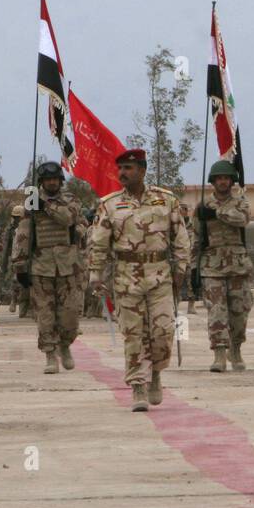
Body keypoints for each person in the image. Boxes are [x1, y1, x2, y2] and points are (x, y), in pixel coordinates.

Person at [87, 149, 191, 411]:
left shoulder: (165, 200)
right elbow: (99, 242)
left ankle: (155, 373)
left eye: (129, 168)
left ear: (142, 171)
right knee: (133, 333)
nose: (123, 173)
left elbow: (180, 238)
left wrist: (181, 269)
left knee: (162, 330)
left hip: (160, 275)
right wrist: (95, 273)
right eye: (120, 168)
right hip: (126, 275)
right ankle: (138, 386)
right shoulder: (109, 204)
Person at [12, 161, 85, 374]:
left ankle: (65, 344)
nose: (51, 183)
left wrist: (45, 206)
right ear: (41, 182)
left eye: (54, 179)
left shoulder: (71, 199)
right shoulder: (32, 202)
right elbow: (23, 233)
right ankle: (50, 355)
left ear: (60, 181)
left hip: (69, 266)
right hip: (41, 266)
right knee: (45, 315)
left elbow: (67, 218)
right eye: (47, 180)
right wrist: (20, 266)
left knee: (70, 315)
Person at [197, 160, 253, 372]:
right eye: (219, 178)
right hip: (212, 266)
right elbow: (196, 238)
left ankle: (236, 348)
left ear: (232, 181)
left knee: (239, 311)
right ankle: (219, 354)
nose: (222, 181)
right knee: (217, 312)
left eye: (226, 178)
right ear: (213, 181)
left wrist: (218, 213)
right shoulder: (202, 207)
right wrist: (193, 268)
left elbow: (243, 220)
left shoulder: (241, 202)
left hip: (238, 265)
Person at [180, 203, 198, 315]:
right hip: (178, 259)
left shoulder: (192, 225)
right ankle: (175, 305)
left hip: (190, 258)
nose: (182, 212)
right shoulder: (174, 225)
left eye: (183, 210)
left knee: (191, 283)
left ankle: (191, 306)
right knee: (175, 283)